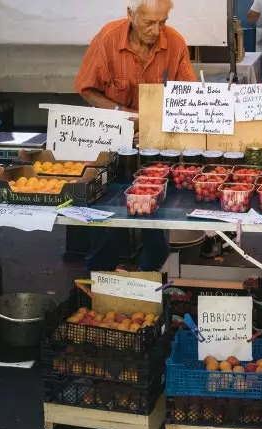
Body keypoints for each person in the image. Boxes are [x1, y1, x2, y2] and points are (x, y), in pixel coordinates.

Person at [75, 0, 195, 272]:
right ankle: (99, 280)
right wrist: (124, 114)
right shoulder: (108, 38)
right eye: (149, 23)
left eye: (162, 22)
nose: (156, 30)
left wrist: (157, 124)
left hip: (156, 148)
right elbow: (86, 88)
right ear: (131, 14)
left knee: (157, 218)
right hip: (113, 142)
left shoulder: (175, 44)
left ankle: (153, 282)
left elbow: (188, 97)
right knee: (107, 215)